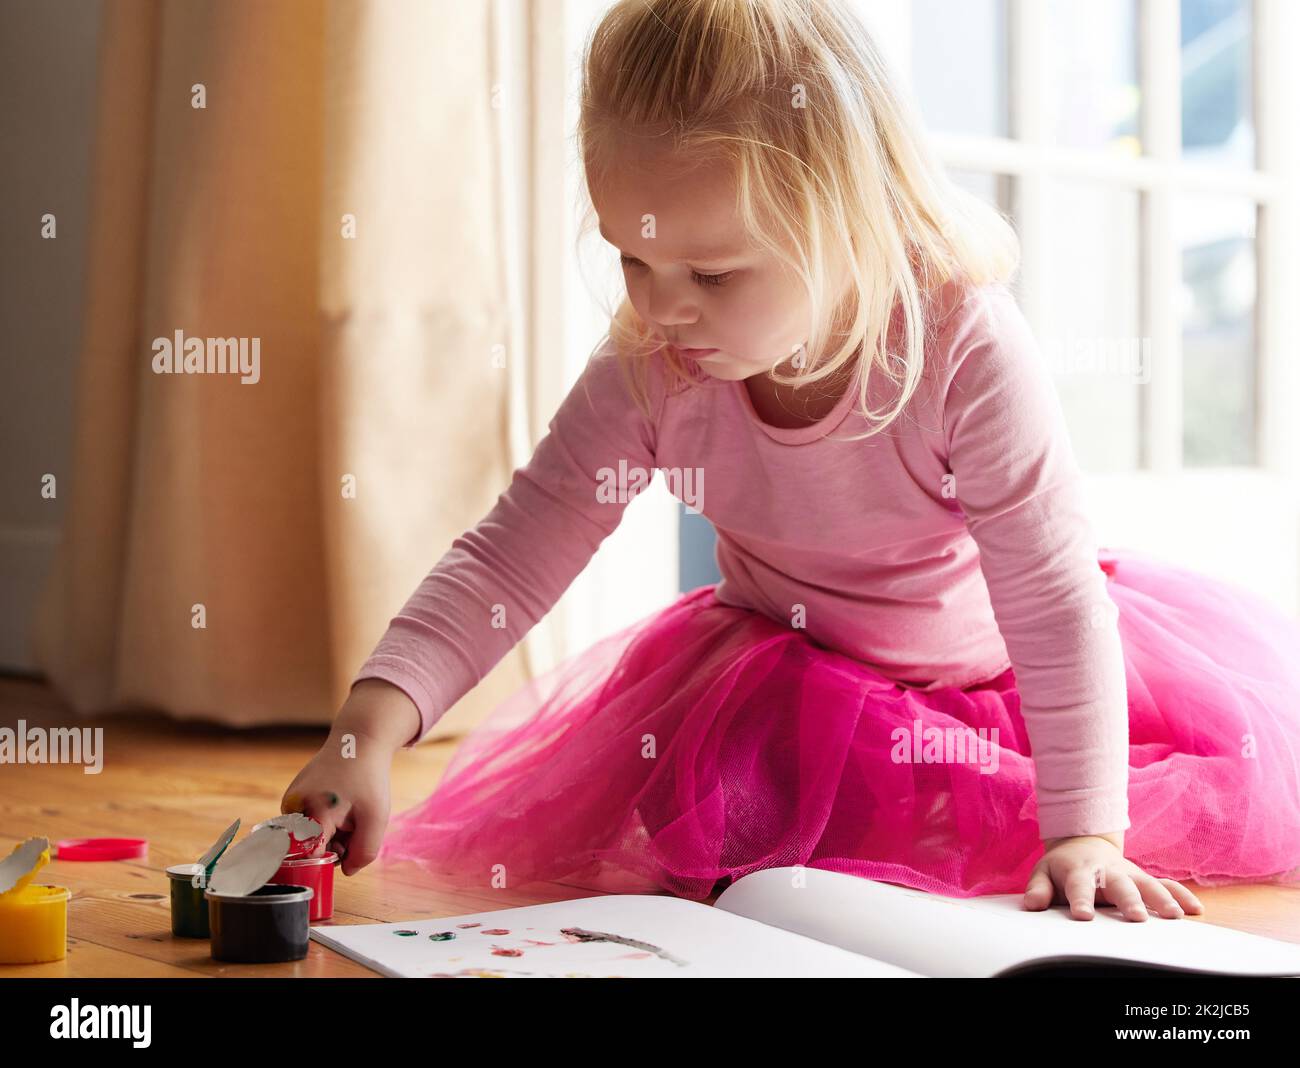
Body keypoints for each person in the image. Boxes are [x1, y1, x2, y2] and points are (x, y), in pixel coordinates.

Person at [282, 0, 1300, 920]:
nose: (658, 305)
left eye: (712, 272)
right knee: (740, 867)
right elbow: (513, 554)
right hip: (782, 679)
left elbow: (1049, 598)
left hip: (982, 679)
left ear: (849, 217)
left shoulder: (960, 346)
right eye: (633, 258)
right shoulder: (652, 364)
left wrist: (1084, 828)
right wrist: (368, 728)